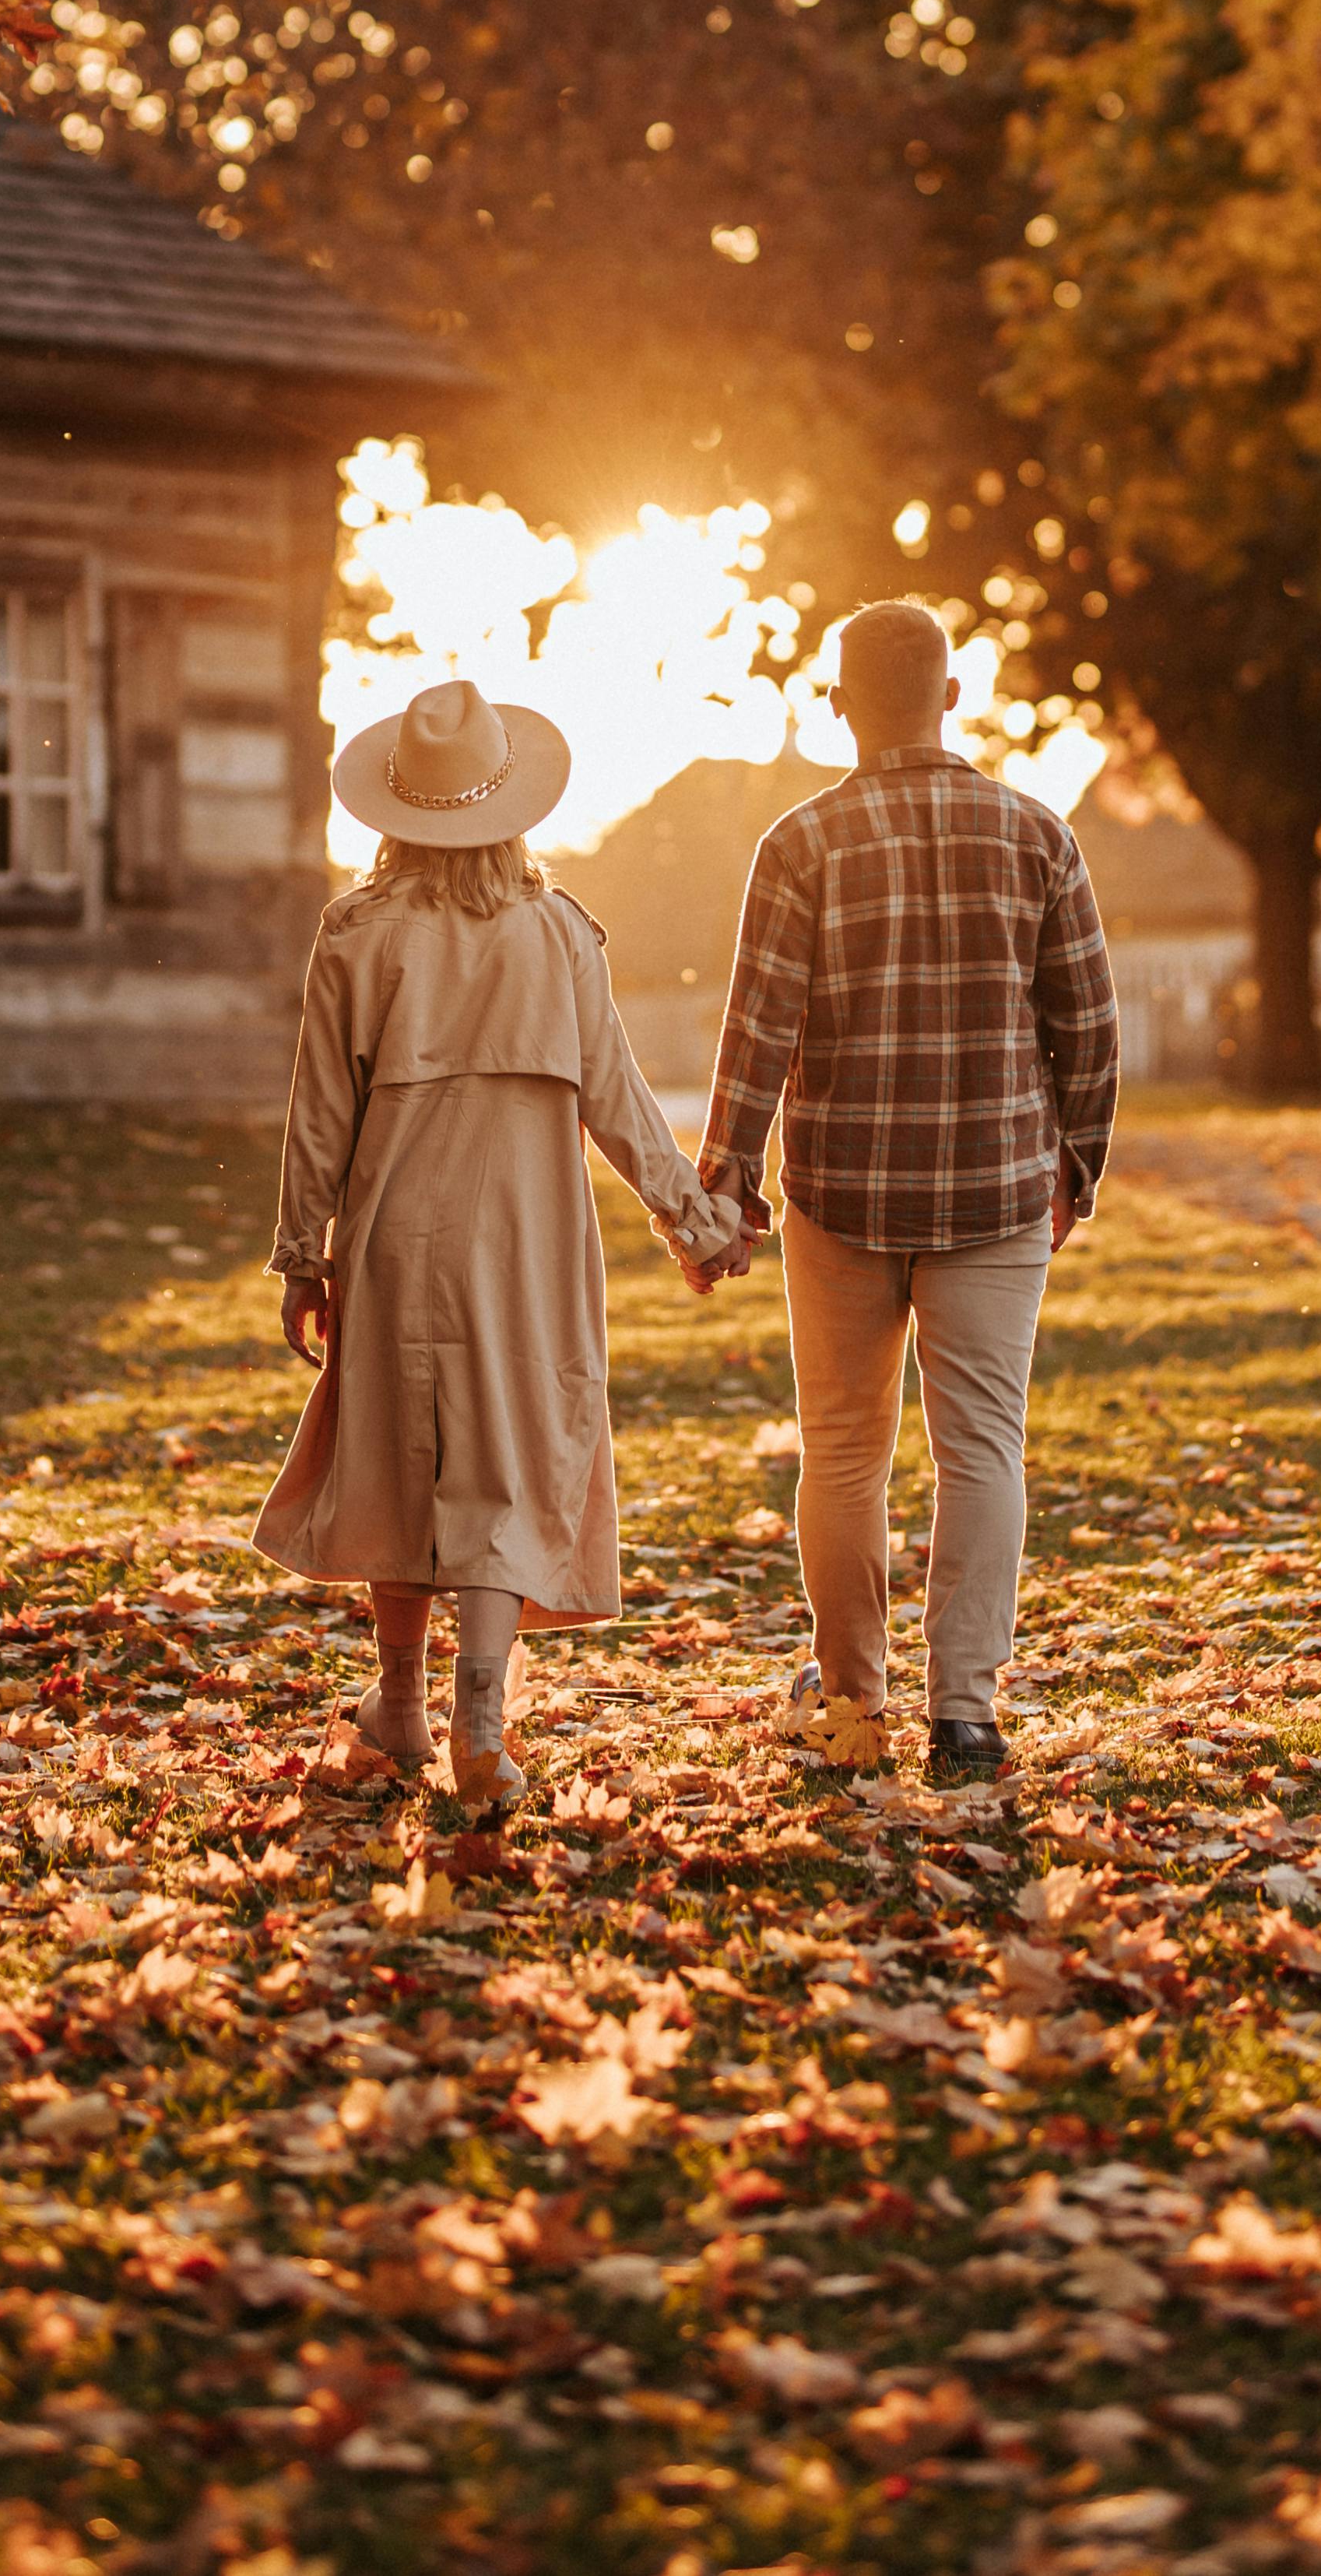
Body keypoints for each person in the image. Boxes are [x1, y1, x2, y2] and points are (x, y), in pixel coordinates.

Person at [255, 674, 749, 1807]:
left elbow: (319, 1109)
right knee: (502, 1454)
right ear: (512, 807)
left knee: (398, 1445)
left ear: (397, 809)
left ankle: (401, 1705)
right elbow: (620, 1100)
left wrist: (302, 1254)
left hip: (392, 1225)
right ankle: (482, 1713)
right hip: (528, 1232)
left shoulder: (357, 933)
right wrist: (698, 1219)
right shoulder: (559, 933)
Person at [697, 598, 1118, 1785]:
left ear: (837, 704)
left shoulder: (799, 842)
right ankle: (967, 1715)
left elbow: (756, 1037)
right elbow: (1086, 1021)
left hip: (841, 1193)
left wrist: (727, 1185)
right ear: (951, 695)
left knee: (841, 1455)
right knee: (983, 1448)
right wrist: (1073, 1167)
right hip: (995, 1190)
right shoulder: (1035, 831)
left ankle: (854, 1701)